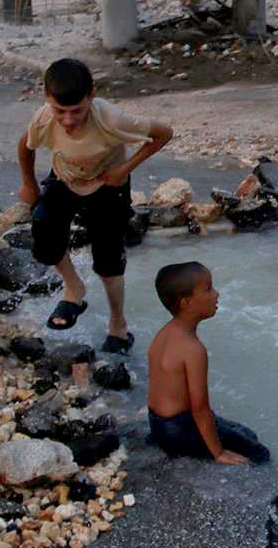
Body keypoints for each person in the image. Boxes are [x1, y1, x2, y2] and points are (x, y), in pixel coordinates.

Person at [19, 57, 172, 353]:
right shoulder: (43, 118)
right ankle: (74, 288)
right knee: (44, 235)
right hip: (64, 180)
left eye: (76, 110)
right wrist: (29, 184)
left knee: (108, 262)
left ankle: (118, 323)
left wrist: (124, 169)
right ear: (47, 99)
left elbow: (164, 133)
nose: (68, 120)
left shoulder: (111, 119)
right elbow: (25, 146)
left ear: (91, 96)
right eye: (59, 110)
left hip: (107, 187)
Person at [147, 262, 270, 465]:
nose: (217, 294)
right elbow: (200, 409)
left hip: (158, 425)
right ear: (187, 303)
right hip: (179, 431)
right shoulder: (193, 349)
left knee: (246, 433)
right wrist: (218, 453)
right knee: (259, 453)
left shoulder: (163, 334)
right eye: (208, 289)